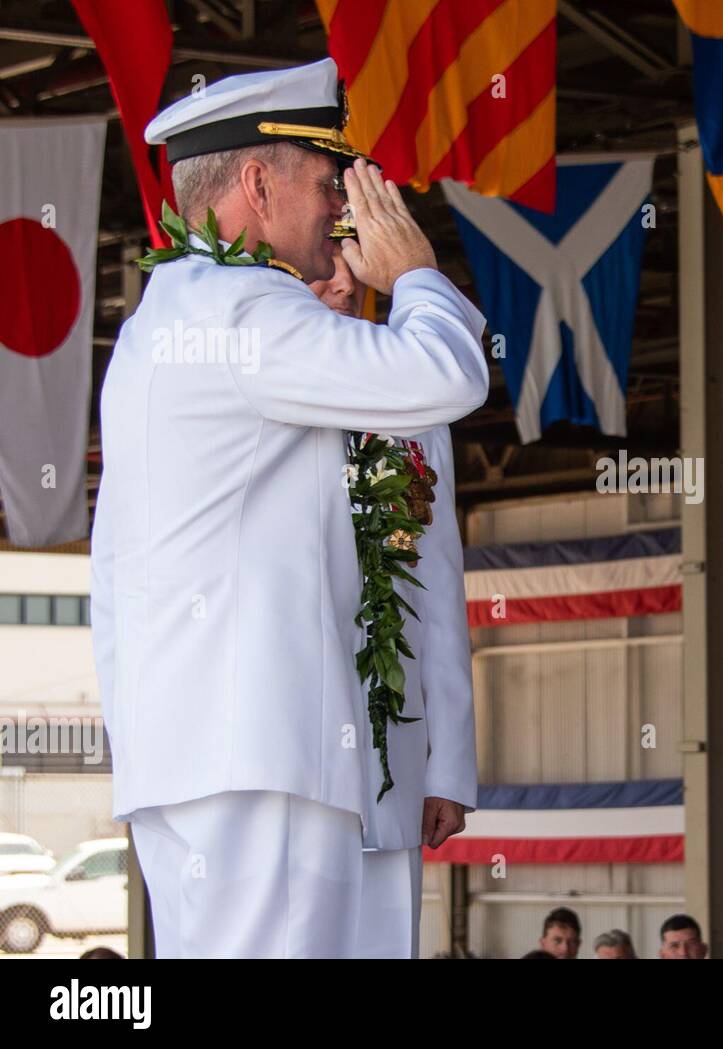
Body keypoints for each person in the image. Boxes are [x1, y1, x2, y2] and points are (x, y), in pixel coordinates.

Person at [90, 58, 489, 958]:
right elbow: (448, 375)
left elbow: (111, 575)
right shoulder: (242, 309)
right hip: (262, 755)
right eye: (324, 182)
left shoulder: (167, 319)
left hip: (218, 757)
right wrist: (416, 274)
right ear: (259, 184)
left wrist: (149, 738)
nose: (341, 211)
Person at [308, 242, 477, 958]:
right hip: (283, 742)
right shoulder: (237, 370)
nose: (343, 283)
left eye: (354, 261)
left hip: (389, 749)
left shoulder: (406, 392)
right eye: (323, 258)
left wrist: (450, 767)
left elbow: (437, 584)